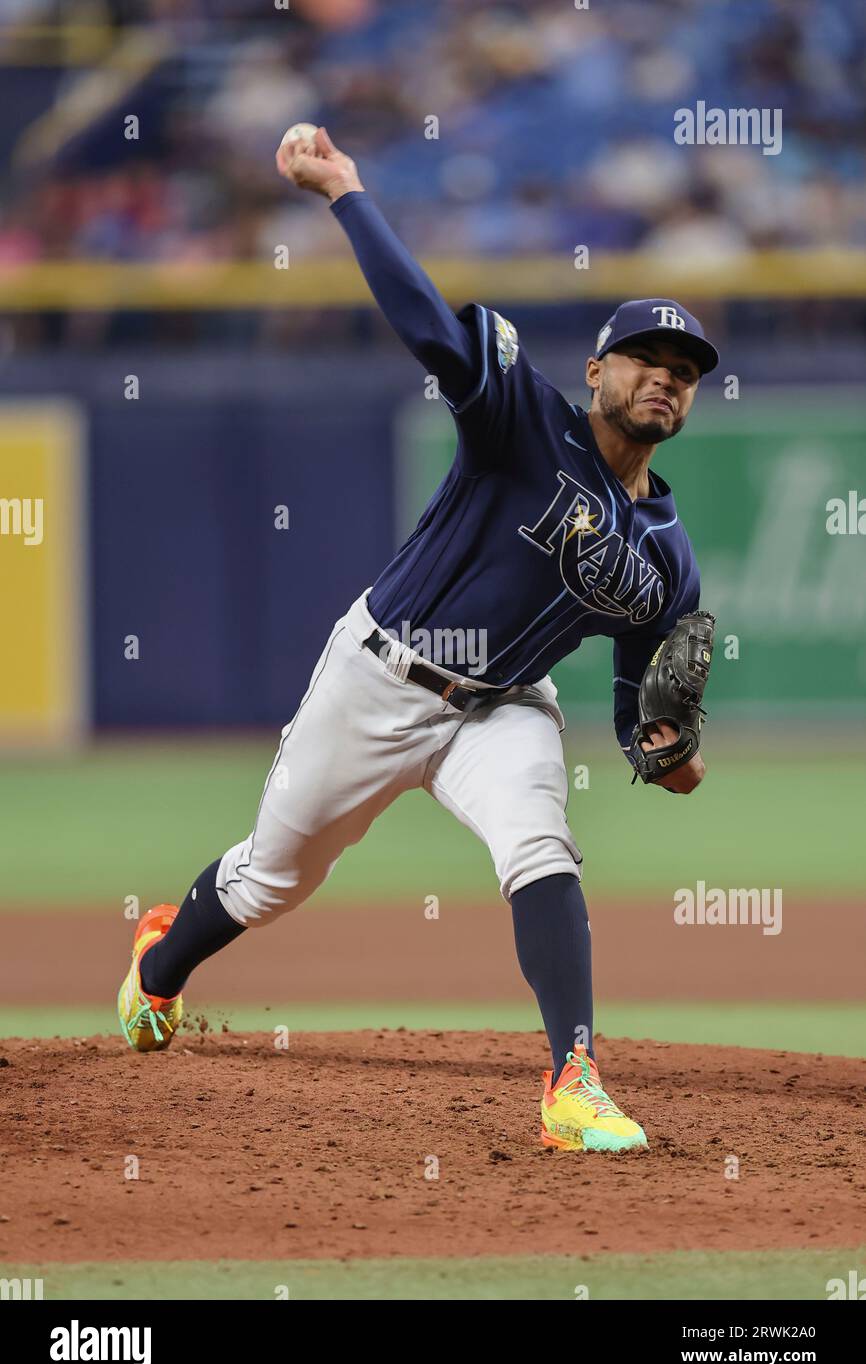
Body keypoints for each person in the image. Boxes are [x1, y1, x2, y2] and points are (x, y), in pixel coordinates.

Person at [118, 127, 718, 1155]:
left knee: (540, 844)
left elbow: (642, 686)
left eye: (682, 370)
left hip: (504, 706)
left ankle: (571, 1080)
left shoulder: (668, 551)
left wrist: (656, 750)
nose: (662, 378)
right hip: (379, 676)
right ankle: (160, 965)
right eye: (643, 359)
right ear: (596, 370)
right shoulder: (523, 420)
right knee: (271, 879)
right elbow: (429, 327)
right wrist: (345, 191)